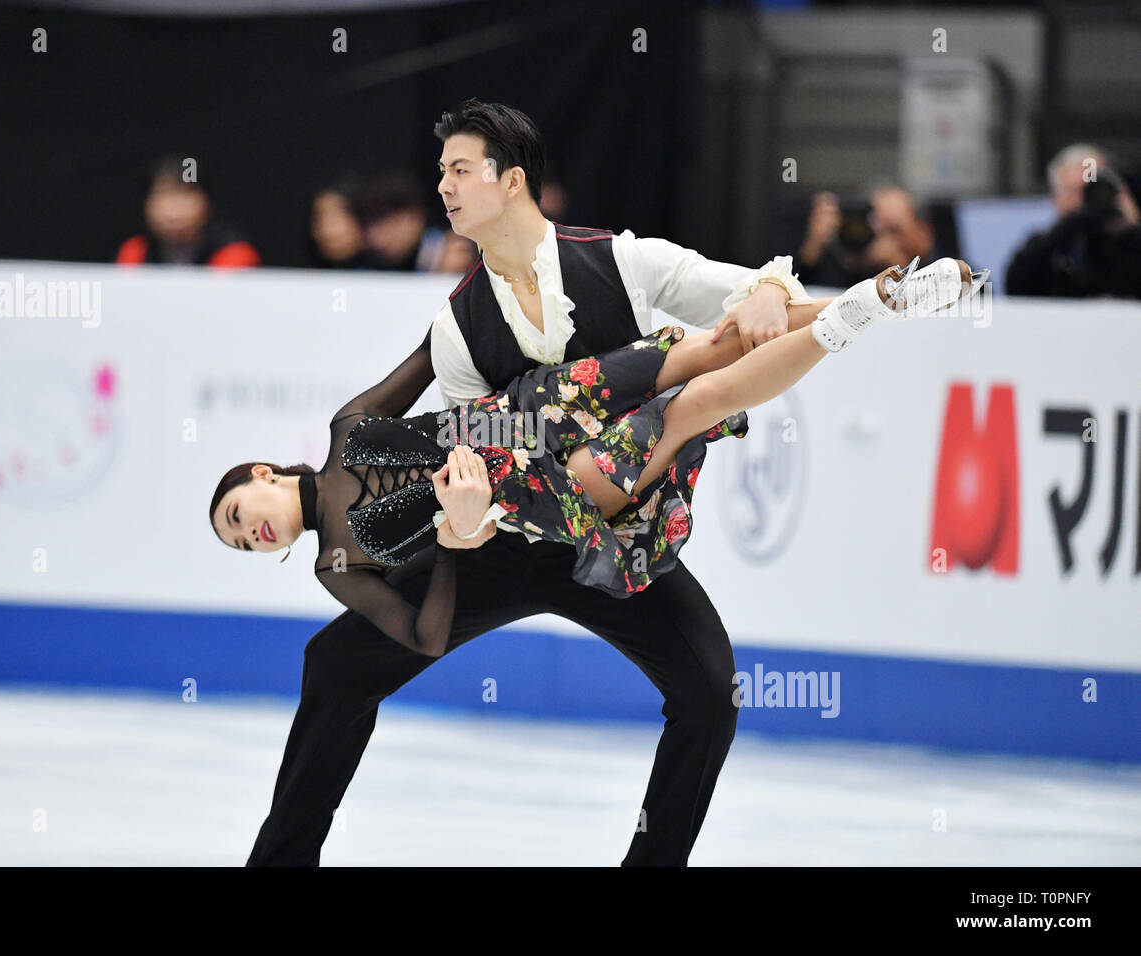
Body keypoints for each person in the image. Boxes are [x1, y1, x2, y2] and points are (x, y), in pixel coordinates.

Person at [237, 98, 972, 867]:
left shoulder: (619, 260)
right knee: (338, 663)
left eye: (459, 170)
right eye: (442, 173)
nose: (444, 187)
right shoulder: (458, 328)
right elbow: (478, 462)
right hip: (518, 526)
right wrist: (461, 523)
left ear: (511, 180)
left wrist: (766, 289)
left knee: (708, 696)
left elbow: (741, 295)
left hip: (618, 528)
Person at [212, 254, 981, 655]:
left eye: (241, 516)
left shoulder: (348, 425)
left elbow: (435, 345)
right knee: (695, 406)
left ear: (263, 474)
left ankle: (885, 303)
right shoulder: (335, 566)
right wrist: (451, 535)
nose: (255, 533)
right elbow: (427, 637)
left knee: (700, 349)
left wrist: (504, 267)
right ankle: (857, 315)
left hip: (519, 410)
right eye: (244, 542)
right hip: (534, 495)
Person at [1005, 143, 1141, 298]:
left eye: (1092, 190)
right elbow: (1016, 291)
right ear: (1056, 199)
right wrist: (1064, 231)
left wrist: (1132, 226)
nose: (1082, 201)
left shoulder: (1128, 240)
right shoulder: (1047, 249)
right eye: (1072, 191)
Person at [116, 154, 261, 268]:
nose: (173, 212)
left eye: (185, 196)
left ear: (208, 203)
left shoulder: (233, 254)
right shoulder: (135, 253)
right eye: (162, 196)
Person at [796, 184, 938, 288]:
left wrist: (899, 271)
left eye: (894, 231)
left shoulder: (945, 270)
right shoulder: (849, 266)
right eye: (876, 230)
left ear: (924, 231)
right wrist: (814, 246)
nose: (882, 242)